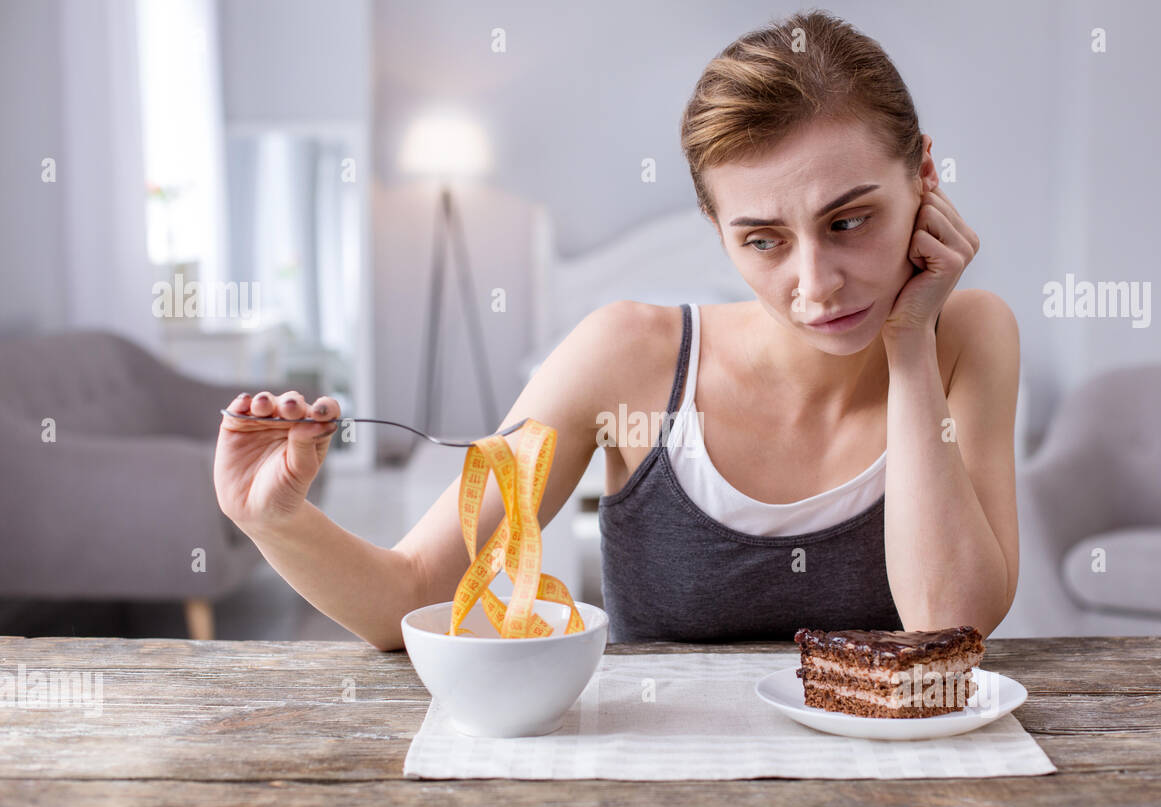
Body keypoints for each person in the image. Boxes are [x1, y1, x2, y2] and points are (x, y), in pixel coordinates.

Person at [214, 9, 1020, 651]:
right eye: (764, 240)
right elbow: (411, 596)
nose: (816, 285)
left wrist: (910, 344)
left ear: (923, 176)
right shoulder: (623, 355)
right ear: (717, 229)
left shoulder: (969, 338)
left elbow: (948, 627)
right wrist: (273, 519)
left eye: (850, 221)